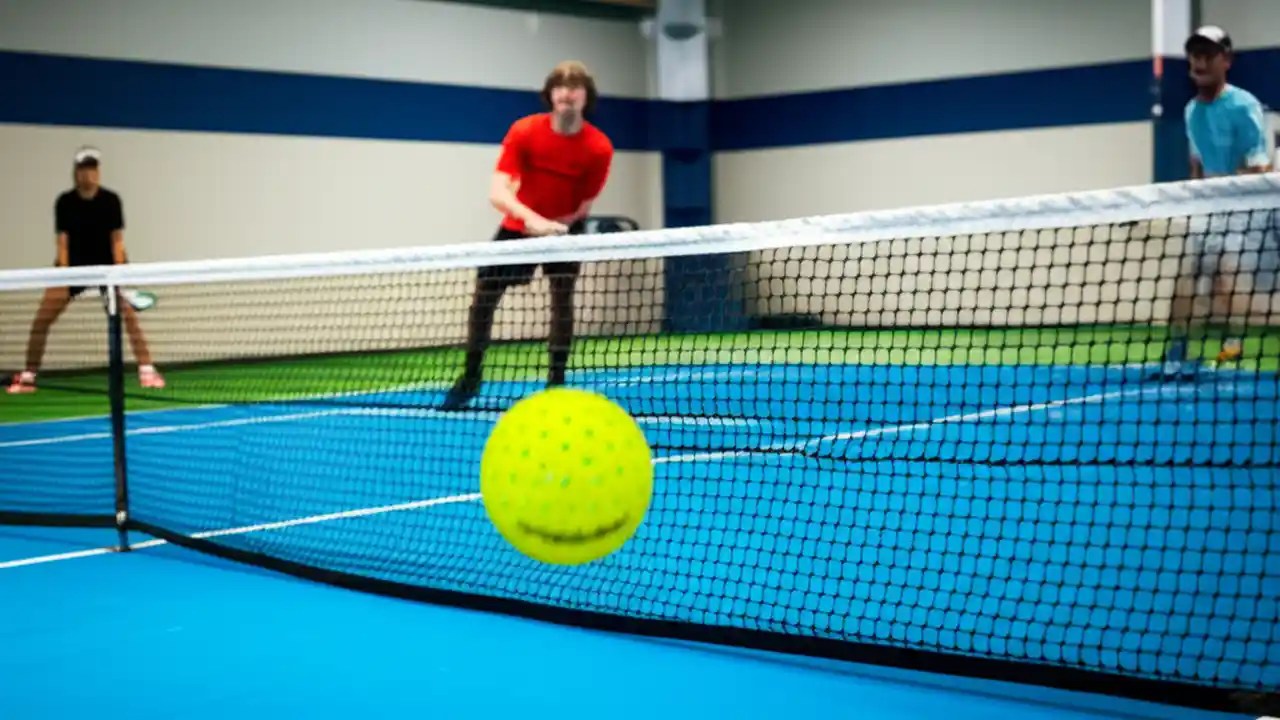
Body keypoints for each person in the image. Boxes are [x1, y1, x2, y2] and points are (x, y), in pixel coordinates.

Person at [441, 61, 614, 411]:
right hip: (518, 227)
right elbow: (498, 192)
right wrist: (533, 222)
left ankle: (556, 382)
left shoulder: (598, 148)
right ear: (550, 94)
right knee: (483, 299)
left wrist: (553, 228)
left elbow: (583, 206)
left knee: (562, 300)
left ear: (586, 97)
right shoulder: (524, 131)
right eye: (560, 85)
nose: (567, 92)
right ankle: (470, 376)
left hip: (565, 229)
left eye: (575, 85)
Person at [1161, 25, 1275, 378]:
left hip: (1249, 207)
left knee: (1234, 280)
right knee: (1187, 275)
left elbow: (1260, 166)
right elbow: (1197, 164)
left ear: (1226, 60)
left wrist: (1233, 190)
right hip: (1209, 205)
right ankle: (1177, 354)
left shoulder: (1244, 106)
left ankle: (1233, 343)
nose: (1199, 61)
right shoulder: (1191, 111)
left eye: (1208, 54)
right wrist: (1195, 200)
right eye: (1195, 54)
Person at [8, 147, 166, 394]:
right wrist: (62, 273)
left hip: (106, 271)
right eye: (84, 169)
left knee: (129, 319)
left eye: (93, 169)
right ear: (76, 172)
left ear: (98, 172)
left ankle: (147, 370)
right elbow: (63, 242)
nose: (89, 174)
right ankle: (29, 375)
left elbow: (117, 241)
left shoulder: (111, 200)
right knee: (41, 321)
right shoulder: (65, 202)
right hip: (73, 270)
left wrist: (121, 272)